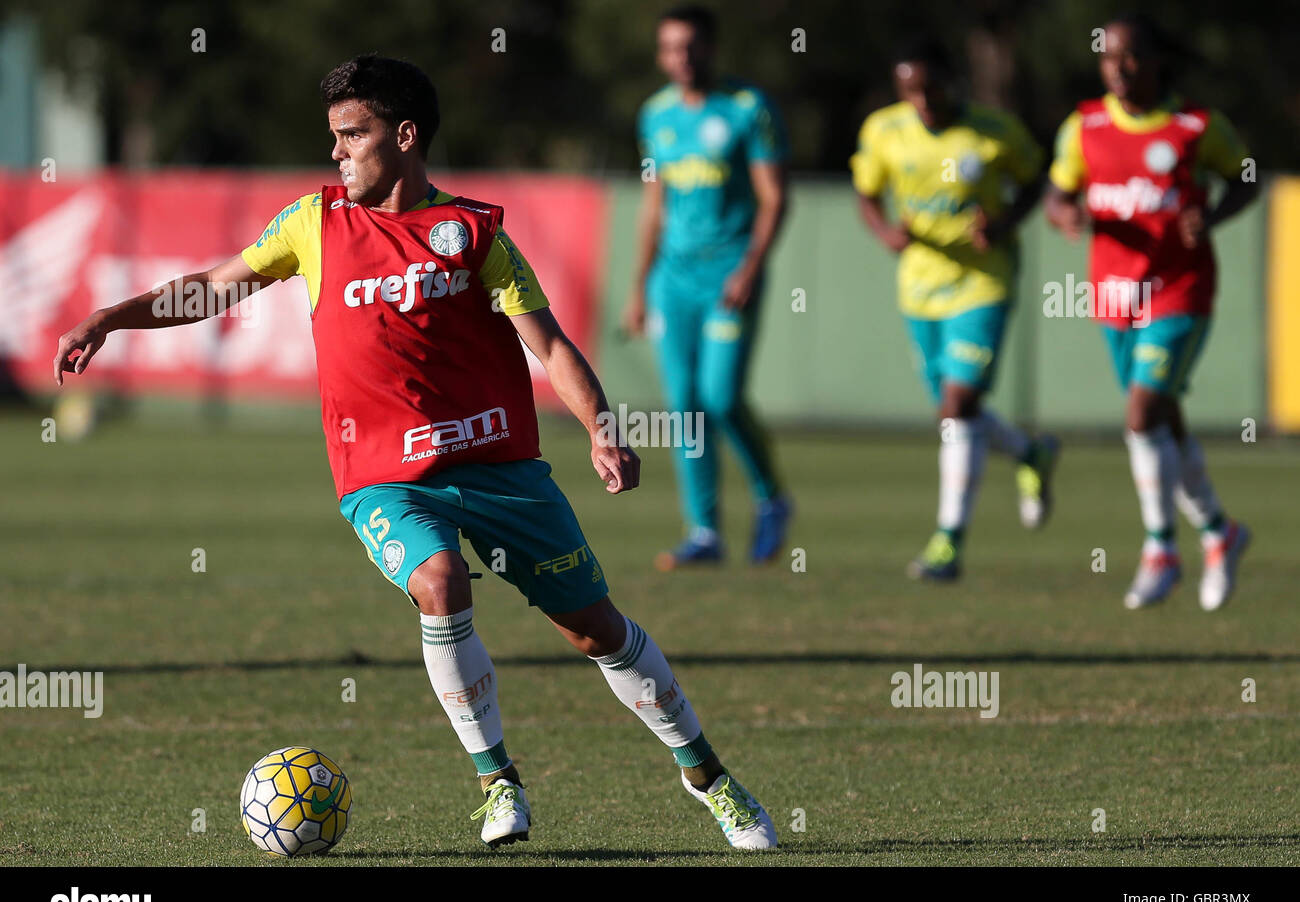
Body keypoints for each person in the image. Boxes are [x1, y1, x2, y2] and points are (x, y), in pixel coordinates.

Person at [53, 55, 777, 850]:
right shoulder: (313, 224)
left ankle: (711, 778)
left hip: (499, 468)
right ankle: (498, 783)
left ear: (403, 136)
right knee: (438, 580)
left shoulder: (473, 235)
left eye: (351, 135)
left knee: (596, 630)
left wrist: (602, 425)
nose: (336, 153)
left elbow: (551, 346)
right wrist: (111, 318)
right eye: (332, 137)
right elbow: (210, 286)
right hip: (385, 479)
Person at [1044, 14, 1254, 610]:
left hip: (1180, 289)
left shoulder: (1196, 127)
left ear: (1157, 60)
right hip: (1114, 292)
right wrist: (1066, 215)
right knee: (1162, 418)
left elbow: (1246, 178)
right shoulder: (1083, 126)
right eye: (1109, 58)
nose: (1119, 68)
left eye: (1131, 57)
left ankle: (1161, 549)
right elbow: (1057, 195)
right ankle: (1220, 531)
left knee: (1140, 415)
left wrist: (1209, 216)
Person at [851, 38, 1058, 582]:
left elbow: (1038, 182)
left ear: (952, 81)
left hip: (983, 282)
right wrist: (883, 230)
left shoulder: (995, 132)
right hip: (919, 288)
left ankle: (948, 542)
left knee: (959, 402)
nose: (921, 100)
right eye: (909, 90)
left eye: (930, 87)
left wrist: (1006, 223)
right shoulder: (883, 131)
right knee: (953, 414)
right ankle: (1029, 452)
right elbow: (867, 192)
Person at [623, 4, 793, 570]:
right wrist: (638, 287)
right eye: (671, 48)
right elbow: (654, 207)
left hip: (730, 274)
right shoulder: (656, 116)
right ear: (659, 54)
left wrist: (749, 267)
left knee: (719, 397)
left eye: (691, 46)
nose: (682, 58)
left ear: (712, 49)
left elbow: (774, 196)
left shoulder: (747, 108)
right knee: (684, 408)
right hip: (675, 280)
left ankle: (771, 497)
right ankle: (704, 532)